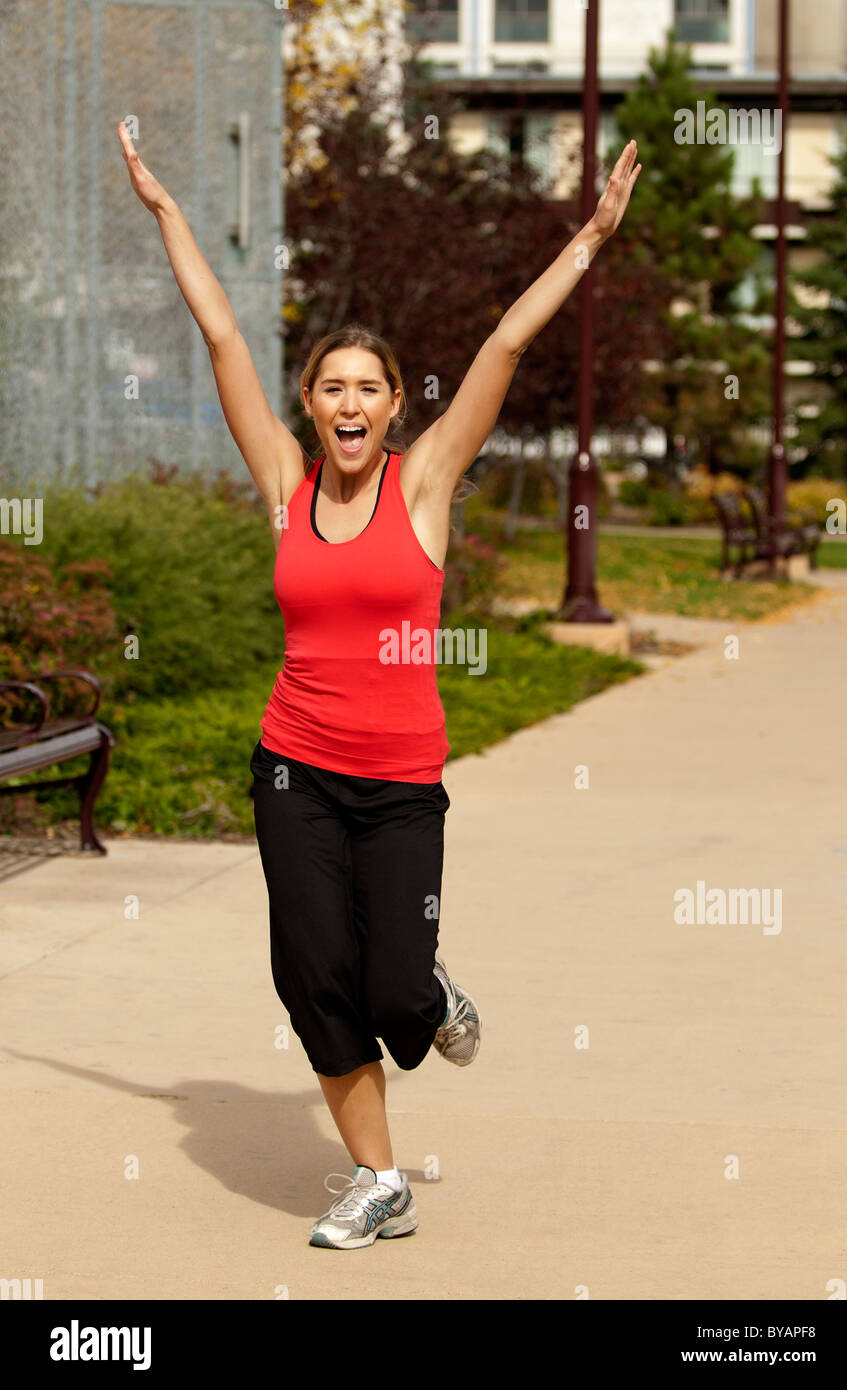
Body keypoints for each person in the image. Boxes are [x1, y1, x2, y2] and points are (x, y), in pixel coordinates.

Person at [117, 117, 640, 1250]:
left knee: (396, 998)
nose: (347, 404)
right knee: (314, 972)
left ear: (396, 403)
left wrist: (589, 237)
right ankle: (377, 1180)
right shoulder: (284, 486)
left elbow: (501, 345)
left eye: (367, 387)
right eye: (328, 388)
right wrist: (167, 214)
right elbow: (220, 341)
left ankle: (432, 990)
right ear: (311, 406)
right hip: (293, 770)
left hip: (400, 784)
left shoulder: (426, 486)